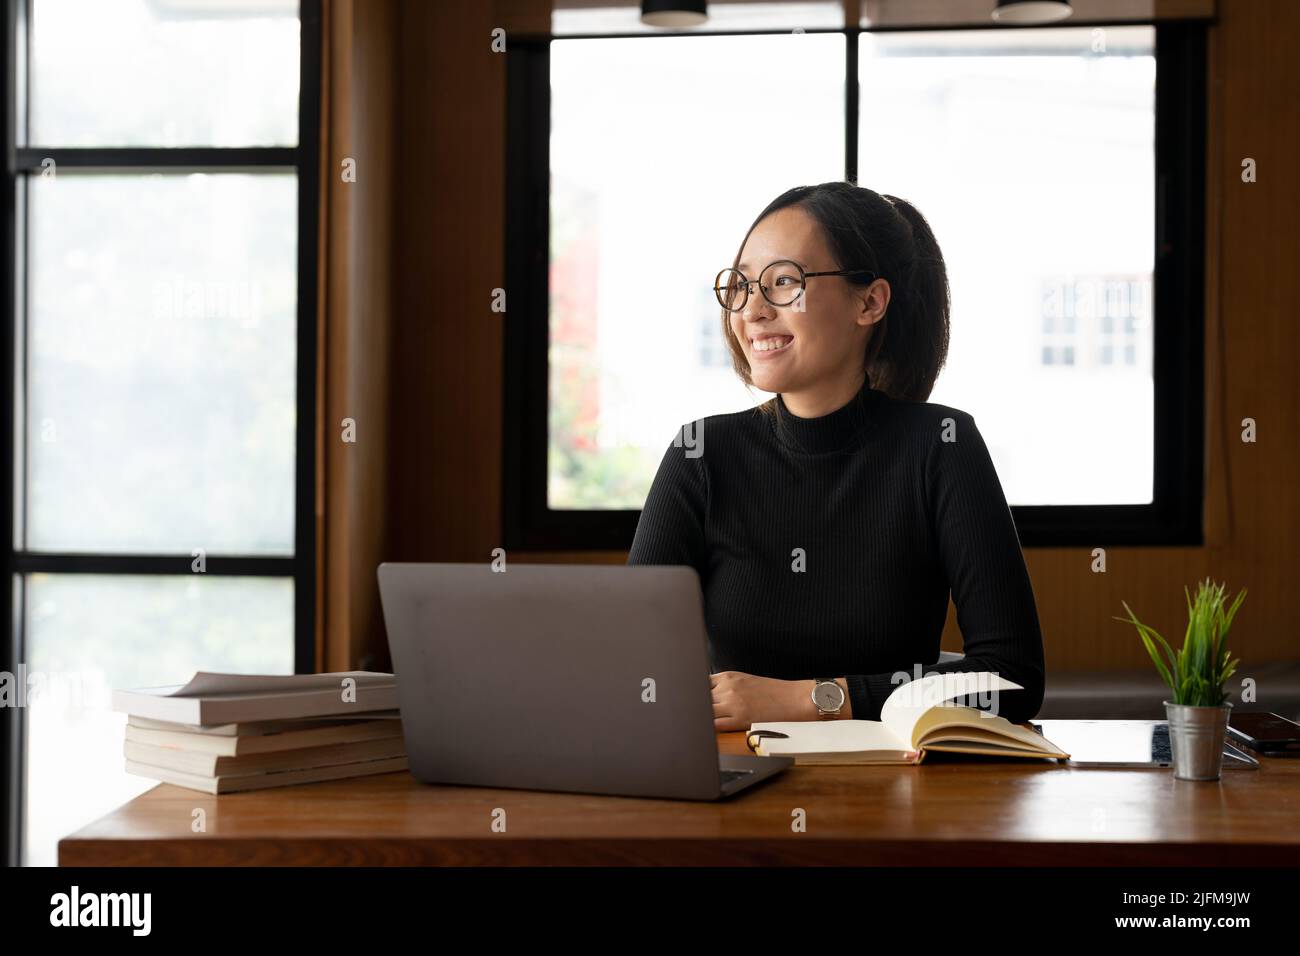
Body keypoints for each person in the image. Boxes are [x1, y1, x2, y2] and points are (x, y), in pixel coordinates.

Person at [627, 181, 1045, 731]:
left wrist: (814, 699)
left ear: (869, 301)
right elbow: (631, 668)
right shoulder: (700, 454)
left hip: (897, 792)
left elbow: (1011, 677)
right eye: (742, 285)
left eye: (783, 282)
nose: (751, 310)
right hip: (734, 784)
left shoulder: (942, 444)